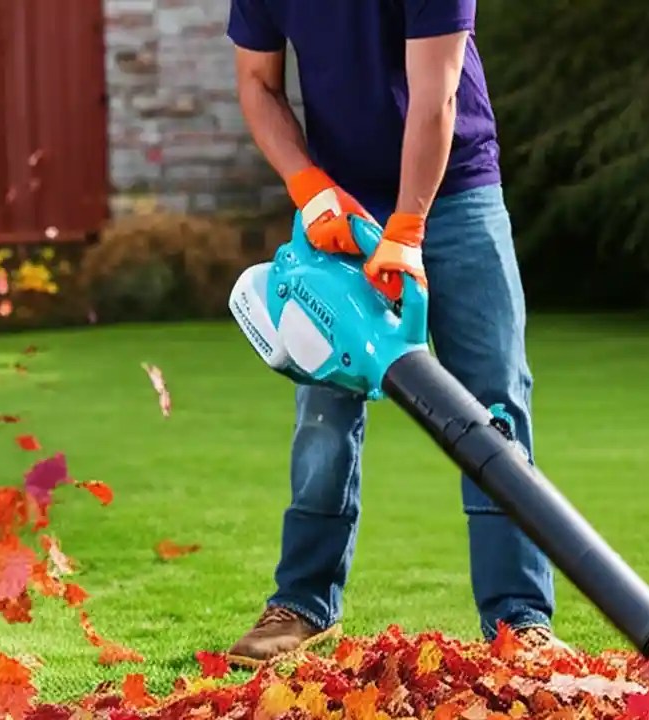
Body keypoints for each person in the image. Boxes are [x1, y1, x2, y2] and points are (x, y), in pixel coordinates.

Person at [224, 0, 566, 667]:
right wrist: (308, 185)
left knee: (493, 402)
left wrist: (408, 227)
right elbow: (257, 85)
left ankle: (518, 620)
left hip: (457, 188)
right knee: (323, 410)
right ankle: (302, 602)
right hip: (344, 202)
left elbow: (434, 95)